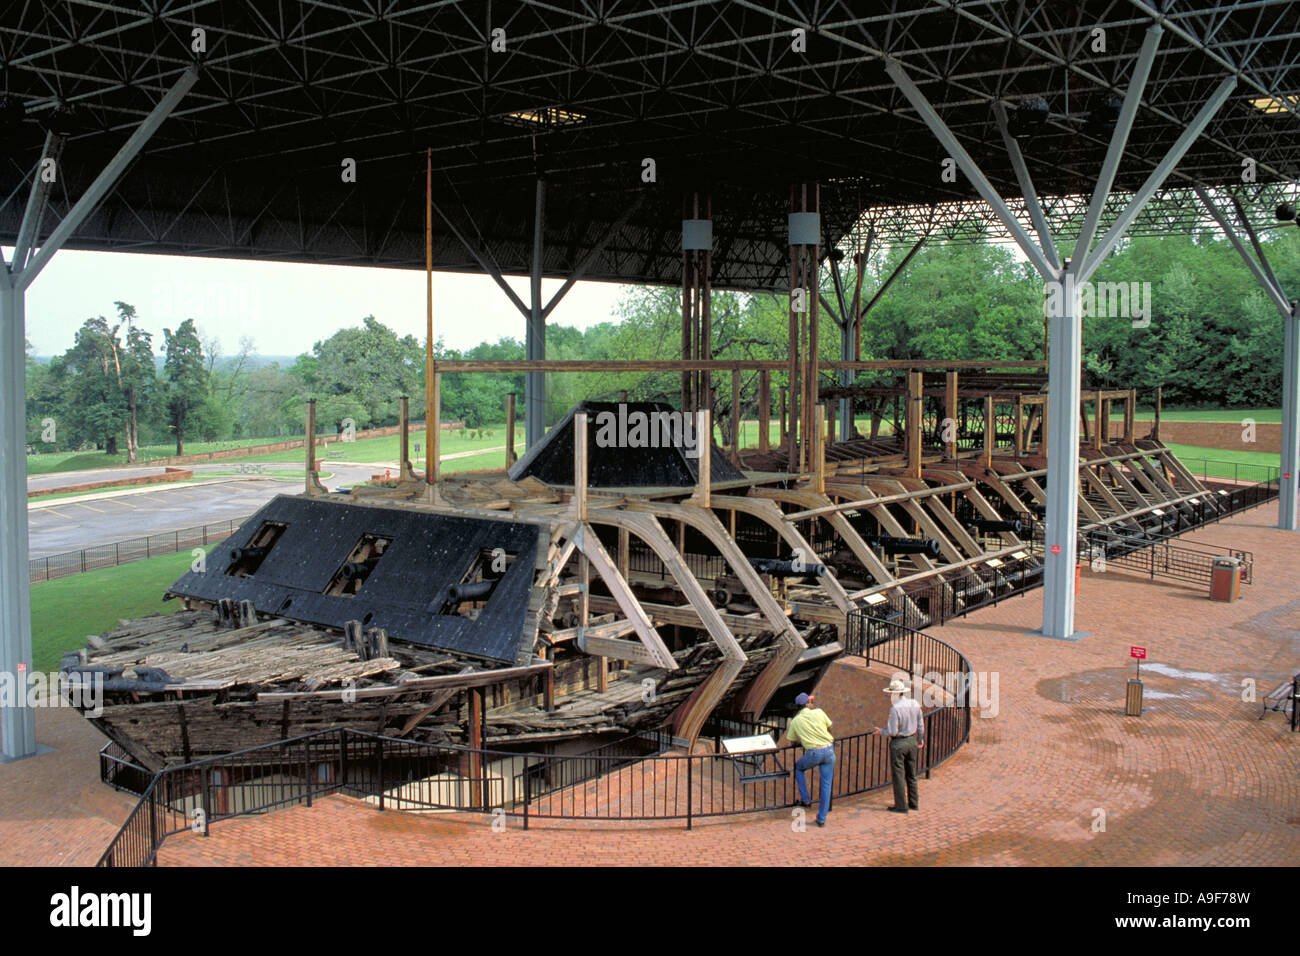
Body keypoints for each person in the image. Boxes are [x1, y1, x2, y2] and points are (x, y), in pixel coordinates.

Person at [783, 692, 835, 827]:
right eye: (810, 702)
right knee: (826, 784)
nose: (812, 703)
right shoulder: (819, 712)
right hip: (829, 750)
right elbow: (829, 726)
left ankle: (805, 799)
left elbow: (792, 741)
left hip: (814, 752)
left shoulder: (795, 721)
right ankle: (821, 819)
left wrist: (804, 741)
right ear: (807, 704)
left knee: (799, 768)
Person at [875, 676, 924, 813]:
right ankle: (914, 802)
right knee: (912, 774)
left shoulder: (894, 709)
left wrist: (881, 732)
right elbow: (920, 724)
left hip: (899, 743)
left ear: (894, 694)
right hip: (912, 740)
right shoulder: (915, 703)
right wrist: (920, 738)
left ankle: (901, 805)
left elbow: (892, 731)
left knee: (898, 775)